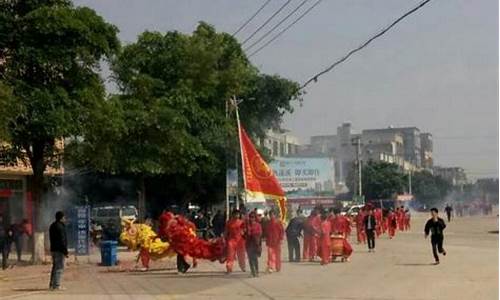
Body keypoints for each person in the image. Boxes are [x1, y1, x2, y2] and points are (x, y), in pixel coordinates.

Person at [49, 211, 69, 290]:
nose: (65, 219)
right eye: (64, 217)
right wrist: (65, 251)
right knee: (59, 267)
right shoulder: (60, 227)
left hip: (53, 249)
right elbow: (62, 240)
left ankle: (51, 284)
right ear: (61, 218)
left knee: (55, 267)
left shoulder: (52, 225)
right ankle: (56, 285)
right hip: (59, 250)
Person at [245, 212, 262, 277]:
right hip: (248, 243)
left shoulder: (258, 225)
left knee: (255, 258)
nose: (252, 218)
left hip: (255, 243)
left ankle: (256, 271)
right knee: (250, 258)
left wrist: (253, 234)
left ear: (255, 218)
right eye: (250, 217)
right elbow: (245, 234)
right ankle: (252, 272)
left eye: (253, 217)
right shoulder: (247, 226)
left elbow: (260, 233)